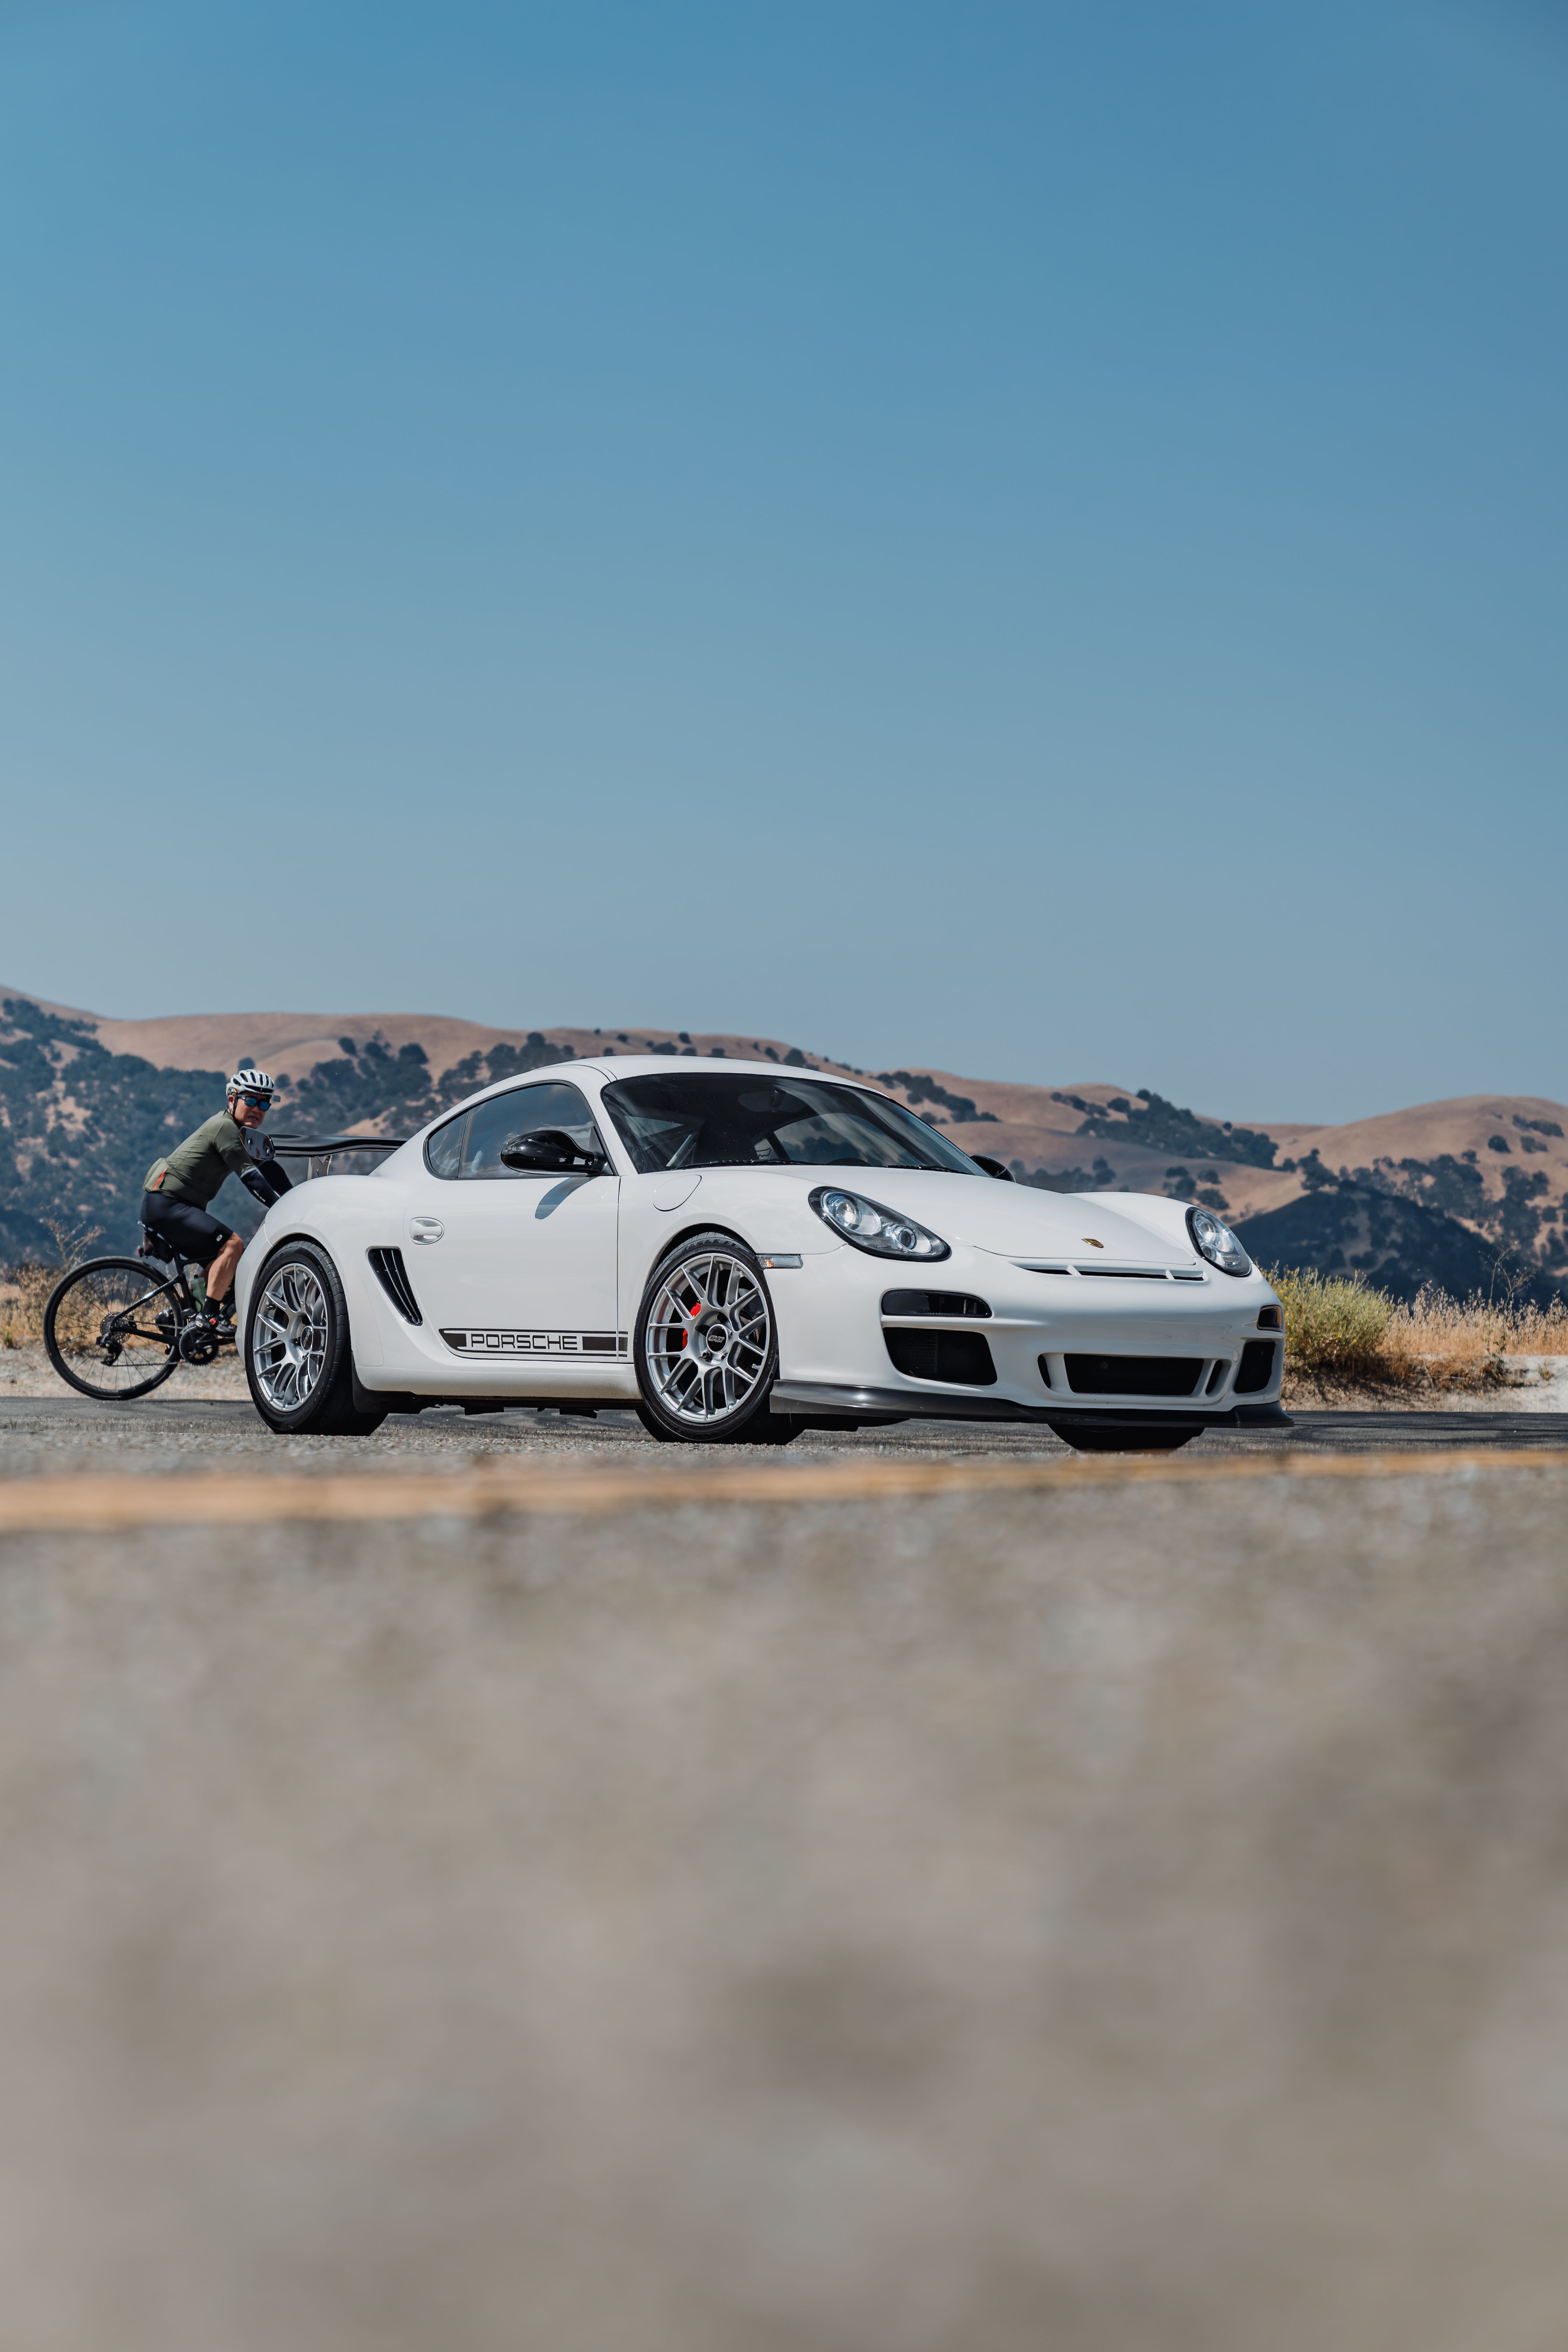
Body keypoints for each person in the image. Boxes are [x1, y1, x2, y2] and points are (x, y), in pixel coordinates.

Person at [140, 1067, 292, 1335]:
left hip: (169, 1206)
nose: (258, 1108)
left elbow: (270, 1170)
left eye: (265, 1103)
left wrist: (296, 1198)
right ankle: (208, 1317)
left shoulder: (242, 1134)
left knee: (226, 1267)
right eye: (251, 1100)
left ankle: (178, 1315)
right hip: (168, 1205)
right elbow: (252, 1179)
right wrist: (284, 1208)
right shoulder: (225, 1128)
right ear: (232, 1099)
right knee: (233, 1245)